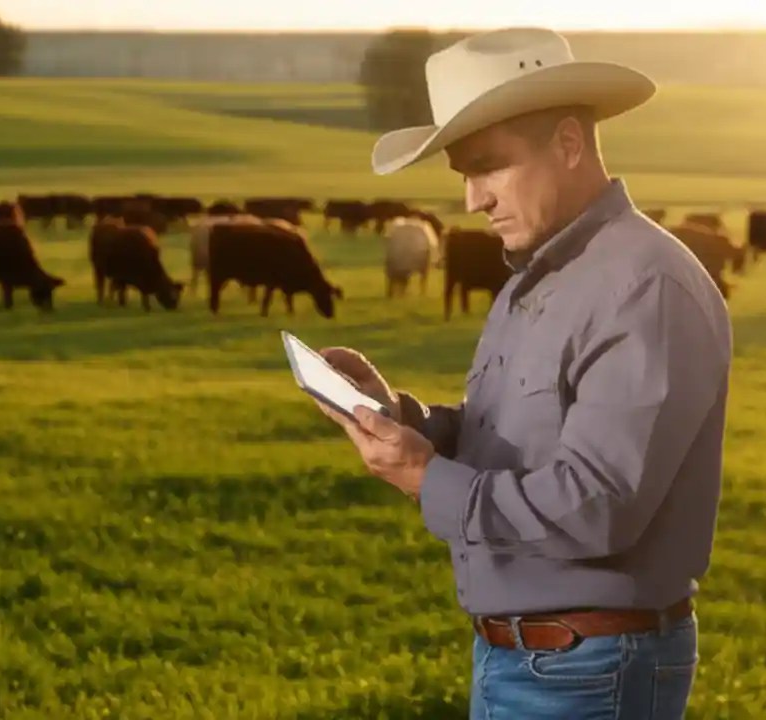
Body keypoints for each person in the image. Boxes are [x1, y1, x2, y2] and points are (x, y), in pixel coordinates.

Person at [314, 27, 733, 719]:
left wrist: (425, 478)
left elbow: (598, 507)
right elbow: (516, 437)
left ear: (569, 145)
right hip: (532, 659)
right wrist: (406, 421)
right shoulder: (534, 272)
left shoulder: (645, 287)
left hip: (586, 670)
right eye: (464, 175)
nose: (473, 199)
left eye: (490, 167)